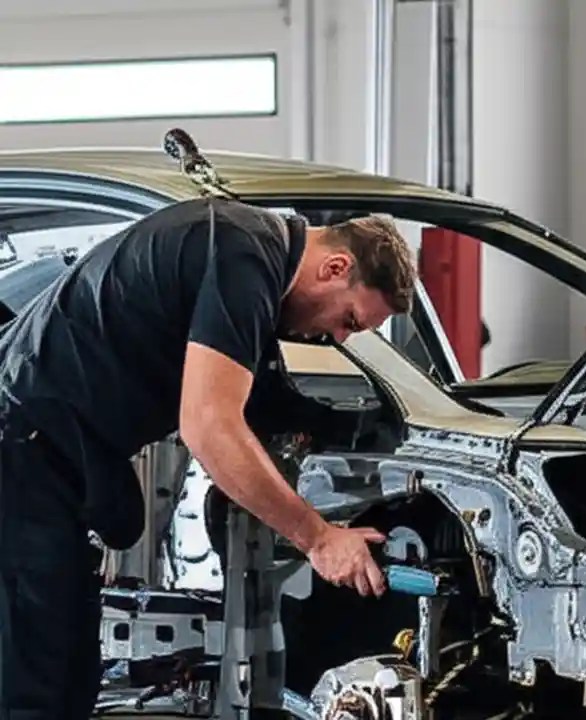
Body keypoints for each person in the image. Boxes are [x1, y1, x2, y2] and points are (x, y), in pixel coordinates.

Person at [0, 197, 418, 718]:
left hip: (49, 464)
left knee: (69, 674)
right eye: (349, 320)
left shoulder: (256, 258)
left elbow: (263, 399)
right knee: (31, 683)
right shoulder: (243, 257)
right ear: (335, 268)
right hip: (19, 452)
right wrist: (318, 537)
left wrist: (367, 428)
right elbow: (209, 425)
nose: (335, 338)